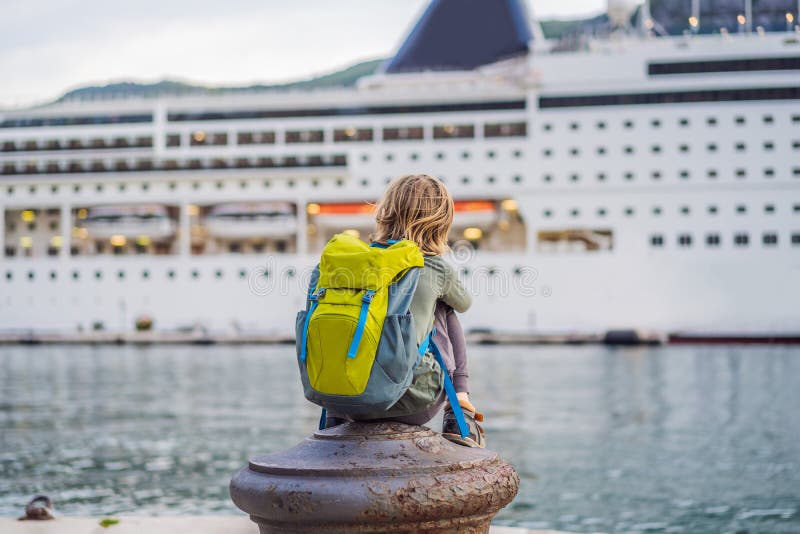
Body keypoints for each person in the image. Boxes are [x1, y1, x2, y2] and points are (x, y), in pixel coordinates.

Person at [367, 174, 485, 447]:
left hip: (344, 400)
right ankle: (460, 403)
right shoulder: (434, 266)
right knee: (444, 306)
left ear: (386, 213)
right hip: (411, 404)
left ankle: (335, 411)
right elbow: (465, 303)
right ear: (440, 222)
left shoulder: (359, 261)